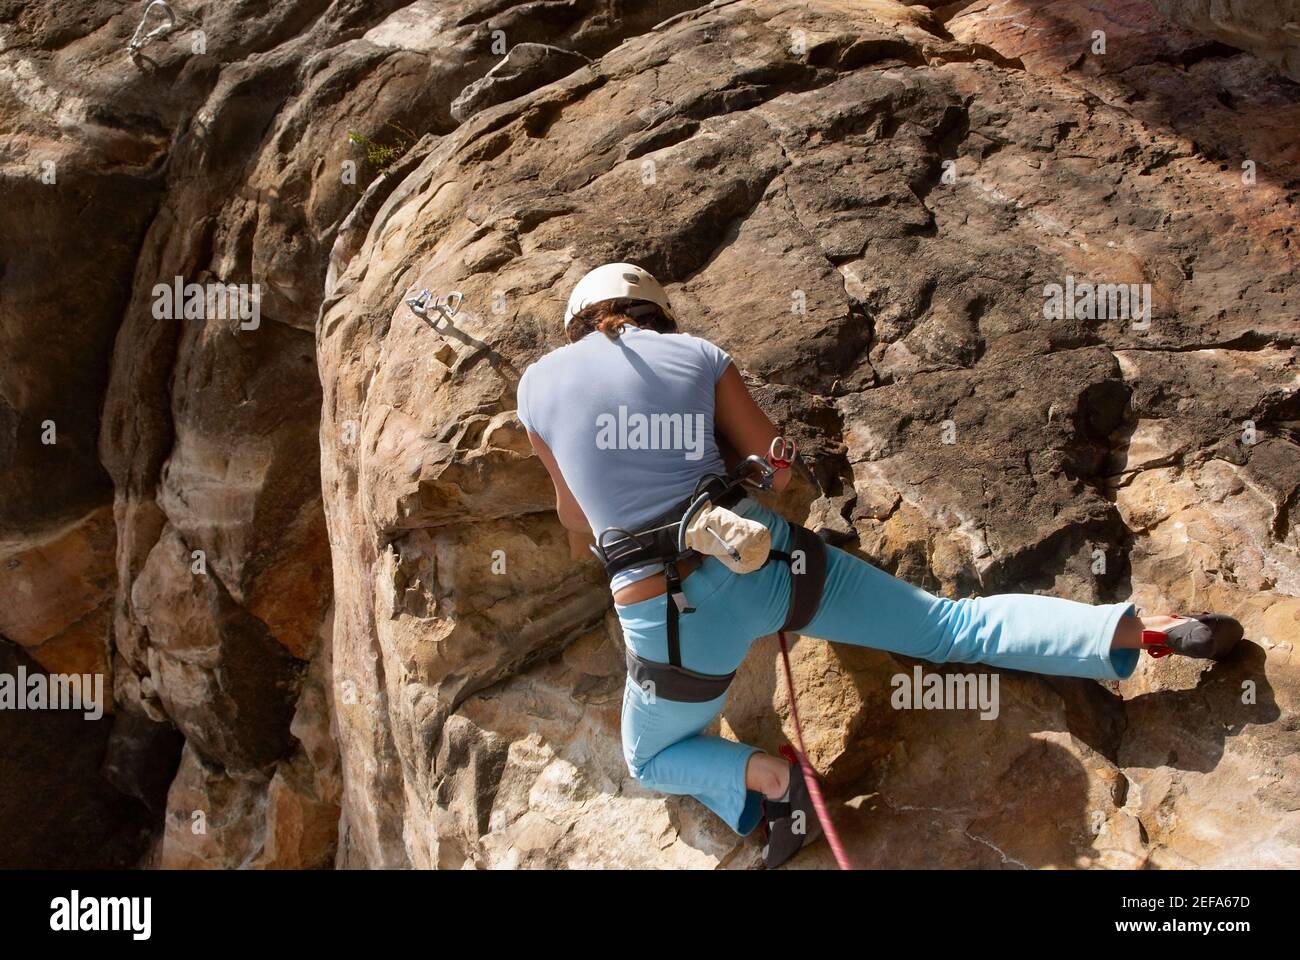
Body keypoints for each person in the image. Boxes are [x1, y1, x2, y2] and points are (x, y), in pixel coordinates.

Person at [514, 262, 1244, 868]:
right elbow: (775, 465)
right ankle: (1147, 630)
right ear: (657, 315)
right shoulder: (700, 356)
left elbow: (576, 521)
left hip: (674, 623)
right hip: (773, 561)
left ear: (580, 322)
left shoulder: (537, 386)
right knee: (953, 628)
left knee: (653, 754)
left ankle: (772, 782)